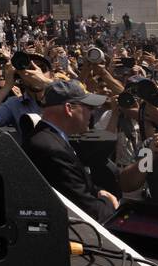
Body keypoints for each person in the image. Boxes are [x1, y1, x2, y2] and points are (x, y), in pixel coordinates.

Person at [17, 80, 118, 222]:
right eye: (88, 107)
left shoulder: (51, 139)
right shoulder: (51, 149)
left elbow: (77, 185)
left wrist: (98, 192)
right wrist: (109, 203)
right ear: (69, 109)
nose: (92, 112)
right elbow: (88, 211)